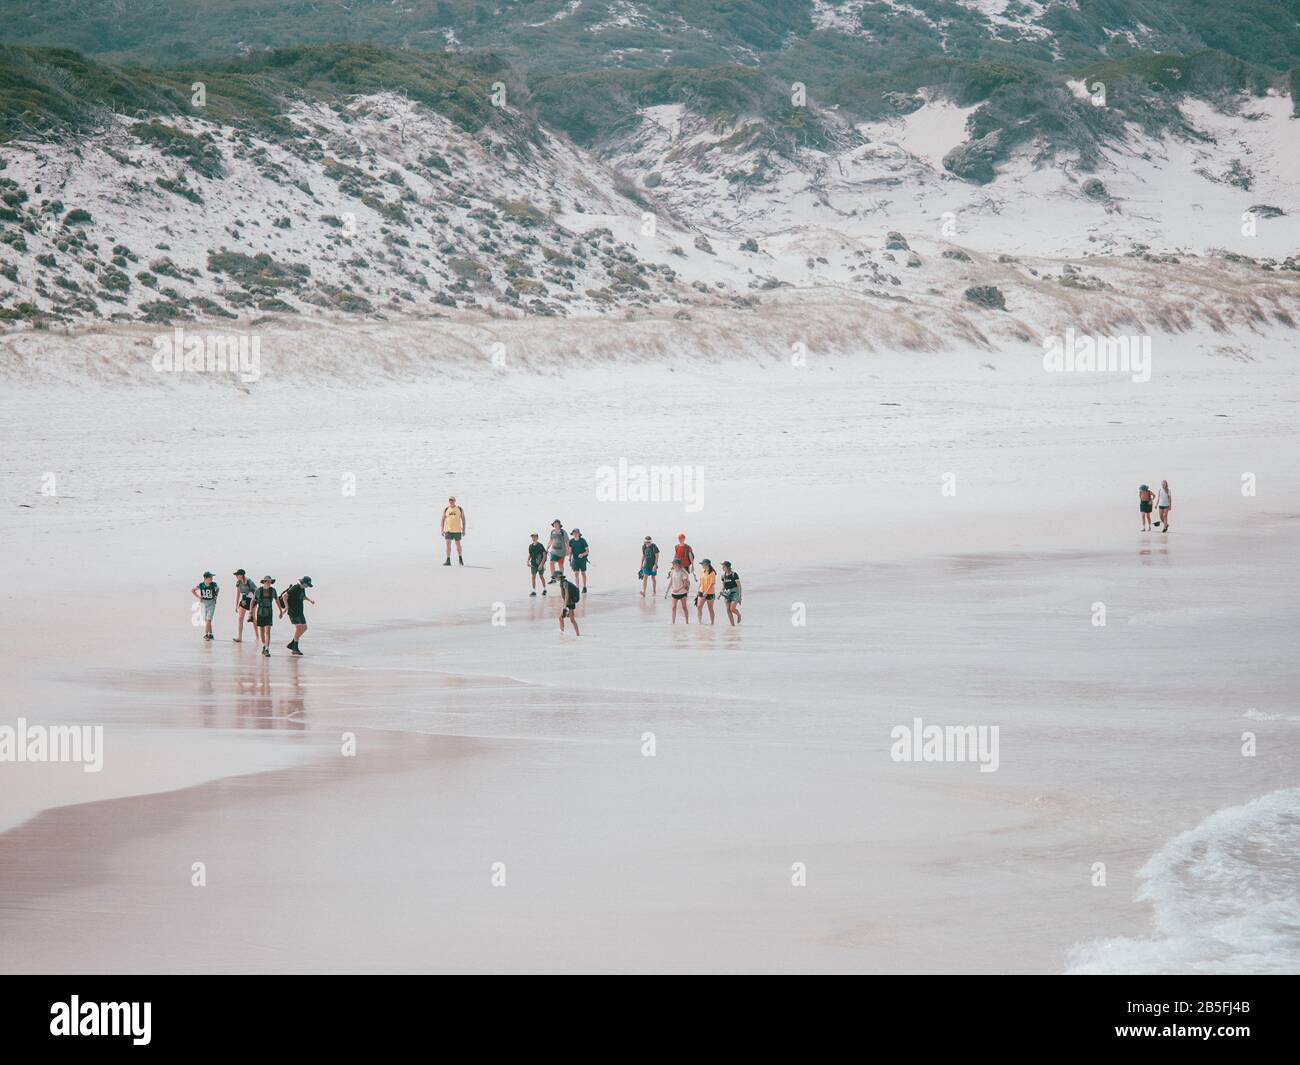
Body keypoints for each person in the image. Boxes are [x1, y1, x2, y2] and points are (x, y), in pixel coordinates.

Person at [279, 577, 315, 656]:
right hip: (293, 611)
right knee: (299, 628)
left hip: (300, 611)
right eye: (307, 585)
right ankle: (295, 648)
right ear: (304, 582)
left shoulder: (302, 588)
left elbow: (303, 596)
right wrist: (286, 607)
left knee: (304, 627)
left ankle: (292, 643)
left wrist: (310, 600)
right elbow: (285, 596)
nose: (307, 586)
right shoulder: (295, 587)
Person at [251, 576, 281, 657]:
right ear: (263, 582)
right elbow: (253, 601)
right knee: (261, 631)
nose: (268, 583)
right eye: (267, 581)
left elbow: (277, 600)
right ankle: (264, 645)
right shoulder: (258, 590)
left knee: (268, 630)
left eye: (270, 581)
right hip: (260, 611)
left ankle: (267, 648)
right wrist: (251, 612)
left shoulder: (273, 590)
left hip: (269, 612)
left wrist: (281, 611)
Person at [192, 571, 219, 641]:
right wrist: (199, 597)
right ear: (205, 578)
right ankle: (211, 634)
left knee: (208, 619)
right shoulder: (201, 585)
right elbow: (193, 590)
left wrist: (215, 595)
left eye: (212, 577)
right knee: (207, 620)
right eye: (210, 577)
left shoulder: (214, 584)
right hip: (203, 603)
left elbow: (218, 589)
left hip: (211, 603)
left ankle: (206, 634)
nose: (212, 578)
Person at [441, 496, 466, 565]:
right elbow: (442, 520)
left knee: (458, 545)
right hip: (448, 530)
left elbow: (463, 519)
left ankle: (460, 558)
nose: (451, 501)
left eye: (452, 500)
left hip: (457, 530)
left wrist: (463, 530)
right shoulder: (446, 509)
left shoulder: (459, 509)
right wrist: (442, 529)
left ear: (455, 501)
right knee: (448, 544)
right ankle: (448, 560)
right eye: (449, 500)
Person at [232, 568, 255, 643]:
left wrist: (255, 600)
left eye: (237, 575)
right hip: (244, 600)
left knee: (253, 619)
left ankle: (258, 637)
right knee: (240, 618)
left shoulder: (249, 581)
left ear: (241, 575)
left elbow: (256, 590)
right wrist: (236, 605)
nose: (236, 576)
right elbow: (238, 594)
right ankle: (239, 637)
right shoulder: (238, 582)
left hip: (252, 600)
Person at [665, 558, 691, 623]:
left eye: (673, 564)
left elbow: (685, 584)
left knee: (684, 607)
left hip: (682, 593)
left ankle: (687, 622)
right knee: (673, 607)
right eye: (672, 564)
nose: (672, 565)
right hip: (674, 593)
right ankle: (673, 622)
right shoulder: (672, 572)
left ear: (678, 565)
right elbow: (671, 582)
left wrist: (678, 589)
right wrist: (666, 592)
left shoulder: (683, 573)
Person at [695, 559, 718, 625]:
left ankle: (712, 623)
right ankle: (699, 622)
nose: (702, 565)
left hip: (710, 593)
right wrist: (698, 590)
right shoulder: (702, 571)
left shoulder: (712, 573)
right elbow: (701, 582)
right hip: (701, 591)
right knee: (699, 606)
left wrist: (706, 592)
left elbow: (712, 583)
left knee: (710, 608)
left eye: (702, 564)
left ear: (707, 564)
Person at [569, 527, 590, 594]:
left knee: (583, 573)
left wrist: (582, 554)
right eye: (574, 533)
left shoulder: (582, 540)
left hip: (582, 560)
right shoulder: (571, 541)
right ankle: (577, 588)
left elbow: (587, 551)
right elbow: (570, 551)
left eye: (576, 533)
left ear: (579, 534)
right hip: (575, 560)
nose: (575, 534)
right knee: (576, 573)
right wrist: (569, 559)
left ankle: (584, 587)